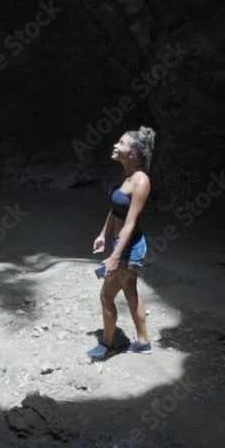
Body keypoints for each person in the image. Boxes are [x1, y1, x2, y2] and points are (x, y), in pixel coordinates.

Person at [88, 126, 156, 359]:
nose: (116, 146)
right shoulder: (127, 177)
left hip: (129, 250)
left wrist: (115, 256)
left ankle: (107, 345)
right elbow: (116, 209)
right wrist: (102, 234)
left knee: (106, 296)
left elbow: (129, 222)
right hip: (121, 244)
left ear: (133, 154)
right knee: (130, 292)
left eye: (122, 143)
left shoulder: (141, 181)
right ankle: (144, 342)